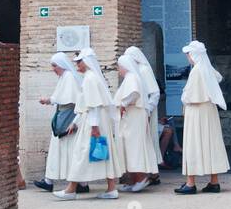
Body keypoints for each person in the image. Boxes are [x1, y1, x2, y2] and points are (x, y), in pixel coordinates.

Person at [54, 47, 122, 199]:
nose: (77, 64)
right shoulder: (91, 77)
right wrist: (76, 121)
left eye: (79, 62)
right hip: (94, 120)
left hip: (93, 122)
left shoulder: (91, 78)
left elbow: (94, 105)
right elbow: (87, 104)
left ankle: (71, 189)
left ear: (87, 62)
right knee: (103, 152)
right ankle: (111, 188)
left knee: (81, 153)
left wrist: (94, 127)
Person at [175, 40, 230, 194]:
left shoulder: (197, 71)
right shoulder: (207, 69)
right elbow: (217, 78)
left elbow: (189, 96)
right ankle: (214, 182)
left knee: (193, 144)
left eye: (189, 54)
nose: (188, 57)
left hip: (196, 112)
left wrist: (184, 98)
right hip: (209, 112)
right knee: (210, 144)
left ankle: (190, 183)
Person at [34, 52, 82, 192]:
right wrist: (49, 100)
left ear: (61, 65)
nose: (53, 68)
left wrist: (49, 100)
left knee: (71, 153)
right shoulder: (65, 78)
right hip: (63, 119)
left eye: (54, 65)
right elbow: (60, 98)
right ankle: (50, 180)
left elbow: (69, 100)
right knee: (61, 153)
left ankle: (80, 184)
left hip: (68, 121)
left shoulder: (69, 78)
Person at [114, 51, 157, 191]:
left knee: (135, 148)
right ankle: (132, 181)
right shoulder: (130, 77)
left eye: (119, 66)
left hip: (134, 117)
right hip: (130, 118)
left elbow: (133, 94)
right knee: (128, 148)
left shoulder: (132, 77)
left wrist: (123, 104)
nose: (118, 69)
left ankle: (141, 178)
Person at [124, 44, 164, 180]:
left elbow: (155, 93)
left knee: (148, 140)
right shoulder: (135, 71)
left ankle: (152, 174)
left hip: (146, 111)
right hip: (140, 112)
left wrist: (148, 110)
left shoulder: (144, 70)